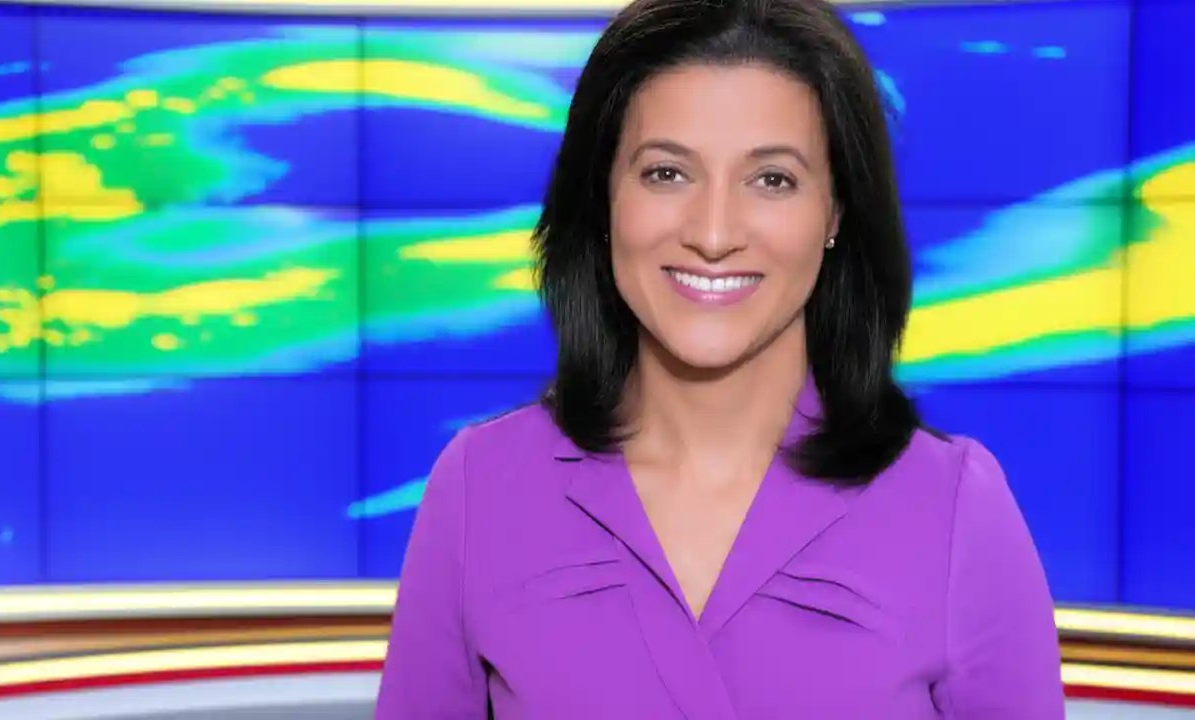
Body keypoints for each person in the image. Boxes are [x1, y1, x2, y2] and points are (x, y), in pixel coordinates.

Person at [374, 0, 1064, 717]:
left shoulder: (954, 508)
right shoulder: (480, 488)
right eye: (666, 173)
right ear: (603, 196)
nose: (712, 233)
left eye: (772, 180)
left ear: (835, 212)